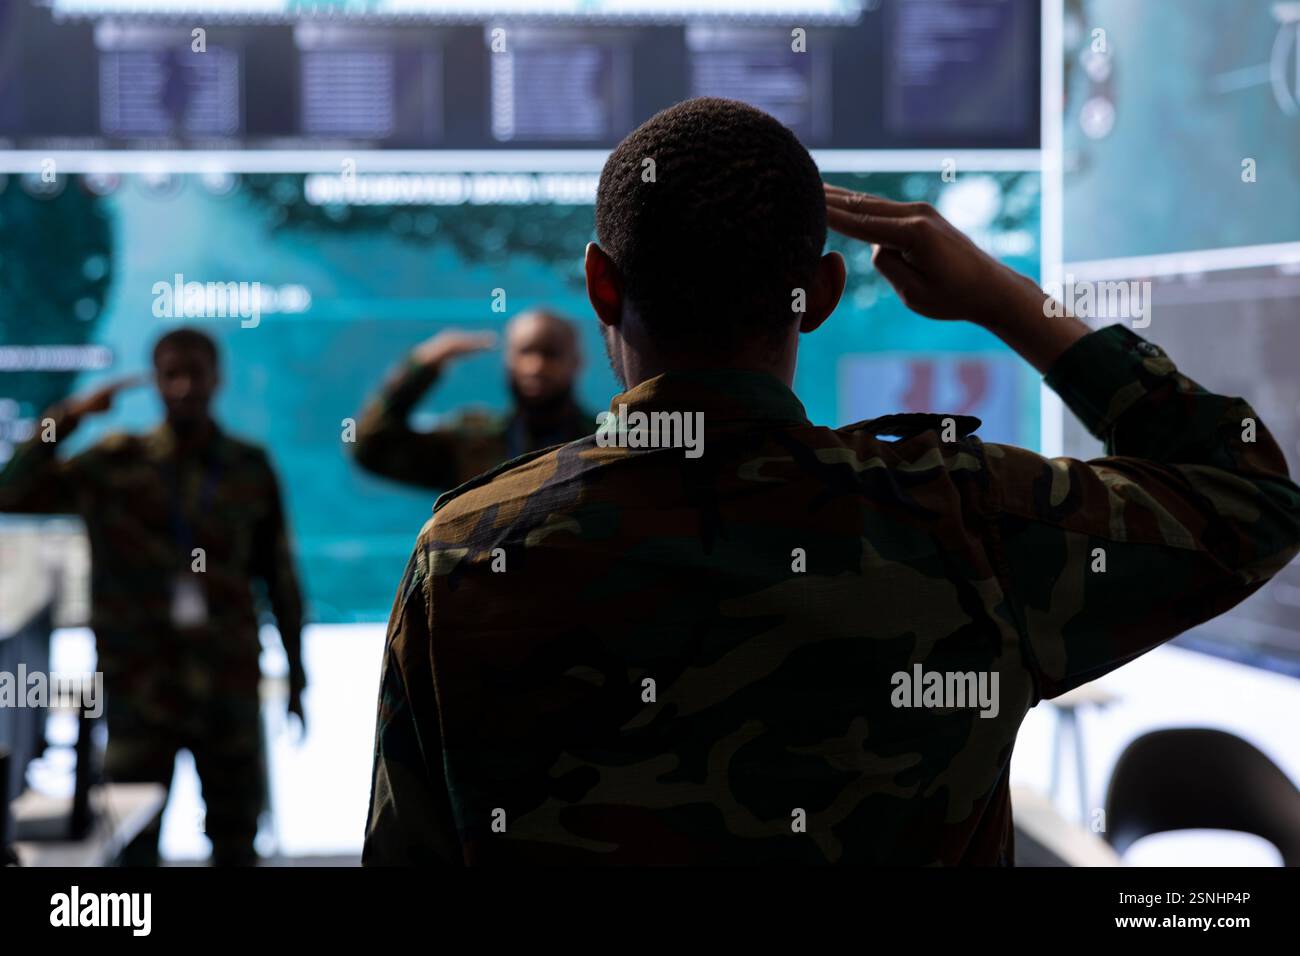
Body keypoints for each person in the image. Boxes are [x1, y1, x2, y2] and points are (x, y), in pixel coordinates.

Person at [362, 98, 1300, 865]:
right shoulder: (961, 518)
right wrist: (1004, 299)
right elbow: (1250, 498)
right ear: (822, 293)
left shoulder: (465, 556)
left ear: (602, 288)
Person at [0, 327, 305, 866]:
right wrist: (67, 415)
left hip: (226, 687)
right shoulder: (113, 464)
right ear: (156, 381)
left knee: (236, 842)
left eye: (196, 373)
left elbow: (279, 578)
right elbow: (11, 489)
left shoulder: (247, 466)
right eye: (171, 374)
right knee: (133, 846)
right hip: (140, 690)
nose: (185, 387)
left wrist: (297, 676)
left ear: (218, 378)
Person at [351, 310, 592, 490]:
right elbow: (373, 448)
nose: (535, 366)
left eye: (550, 353)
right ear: (507, 360)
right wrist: (423, 364)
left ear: (577, 362)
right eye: (525, 352)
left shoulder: (600, 441)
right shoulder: (472, 441)